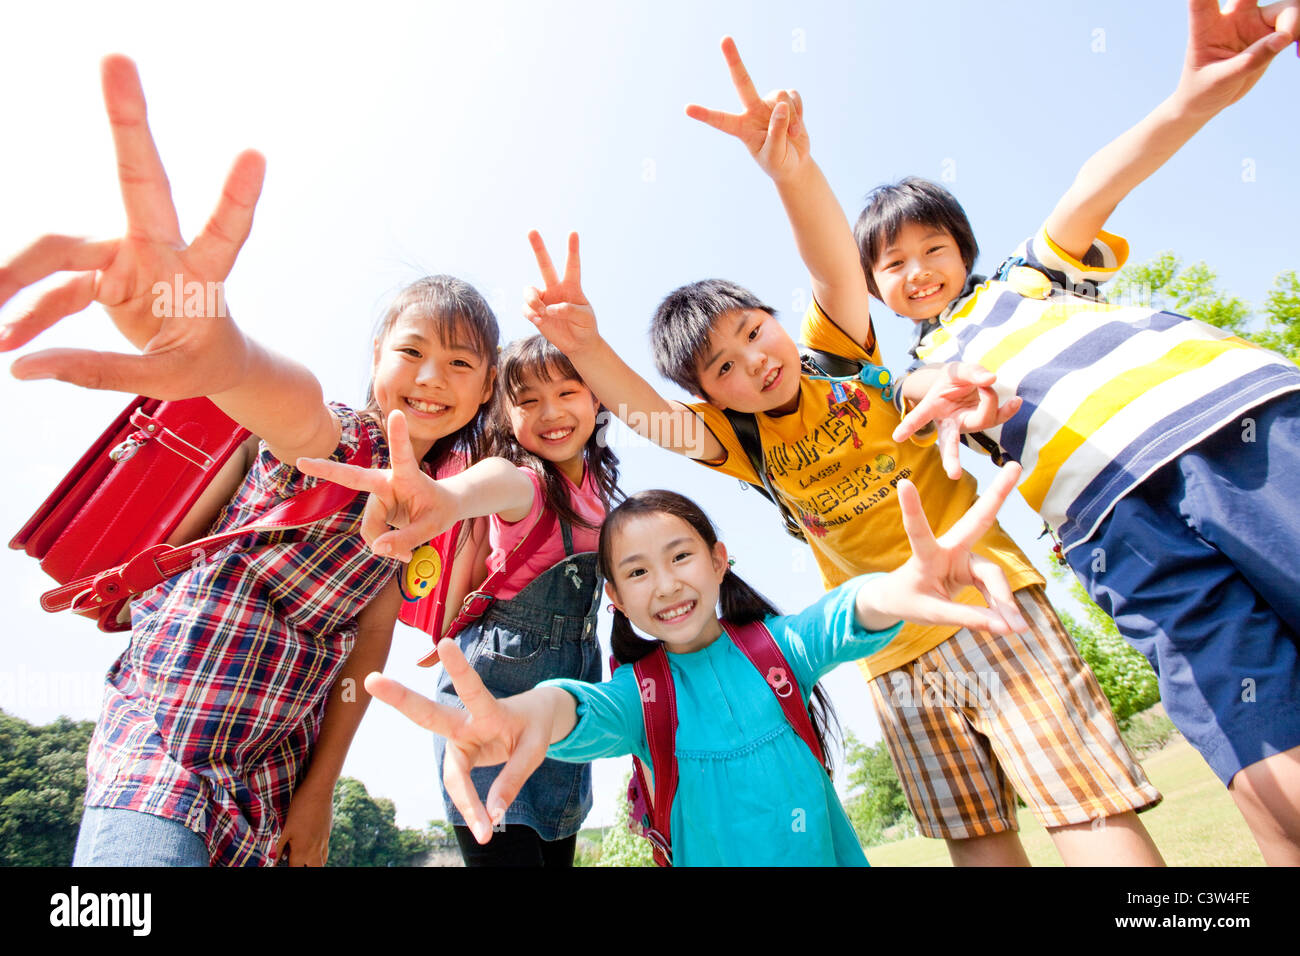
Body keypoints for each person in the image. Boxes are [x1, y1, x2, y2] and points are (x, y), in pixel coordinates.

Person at [519, 113, 1162, 866]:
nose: (751, 363)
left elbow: (832, 270)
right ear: (713, 398)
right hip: (887, 647)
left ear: (774, 320)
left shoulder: (841, 363)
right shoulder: (742, 443)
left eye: (753, 333)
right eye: (722, 368)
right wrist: (586, 346)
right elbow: (651, 417)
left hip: (987, 600)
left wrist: (791, 172)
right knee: (977, 835)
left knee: (1084, 807)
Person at [0, 56, 501, 866]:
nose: (432, 377)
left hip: (270, 779)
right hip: (162, 740)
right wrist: (224, 356)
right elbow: (290, 408)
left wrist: (318, 797)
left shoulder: (433, 510)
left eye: (461, 364)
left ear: (484, 393)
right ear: (376, 355)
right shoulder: (344, 439)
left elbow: (366, 652)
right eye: (413, 350)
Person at [853, 0, 1300, 864]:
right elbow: (914, 384)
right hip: (1113, 531)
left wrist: (1188, 103)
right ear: (875, 288)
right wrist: (955, 395)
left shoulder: (1029, 277)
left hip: (1226, 428)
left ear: (964, 248)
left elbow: (1096, 186)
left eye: (931, 248)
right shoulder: (911, 374)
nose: (916, 271)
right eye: (892, 263)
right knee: (1272, 782)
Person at [364, 465, 1032, 866]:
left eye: (681, 556)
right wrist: (519, 715)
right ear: (619, 603)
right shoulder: (642, 697)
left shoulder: (780, 651)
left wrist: (900, 585)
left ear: (718, 560)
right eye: (636, 572)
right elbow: (572, 706)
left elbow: (847, 612)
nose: (665, 584)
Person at [300, 335, 620, 867]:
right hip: (491, 691)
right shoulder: (524, 482)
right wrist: (446, 499)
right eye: (529, 400)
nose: (551, 413)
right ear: (507, 415)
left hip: (564, 701)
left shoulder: (599, 492)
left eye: (567, 392)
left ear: (597, 401)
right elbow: (481, 489)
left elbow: (477, 565)